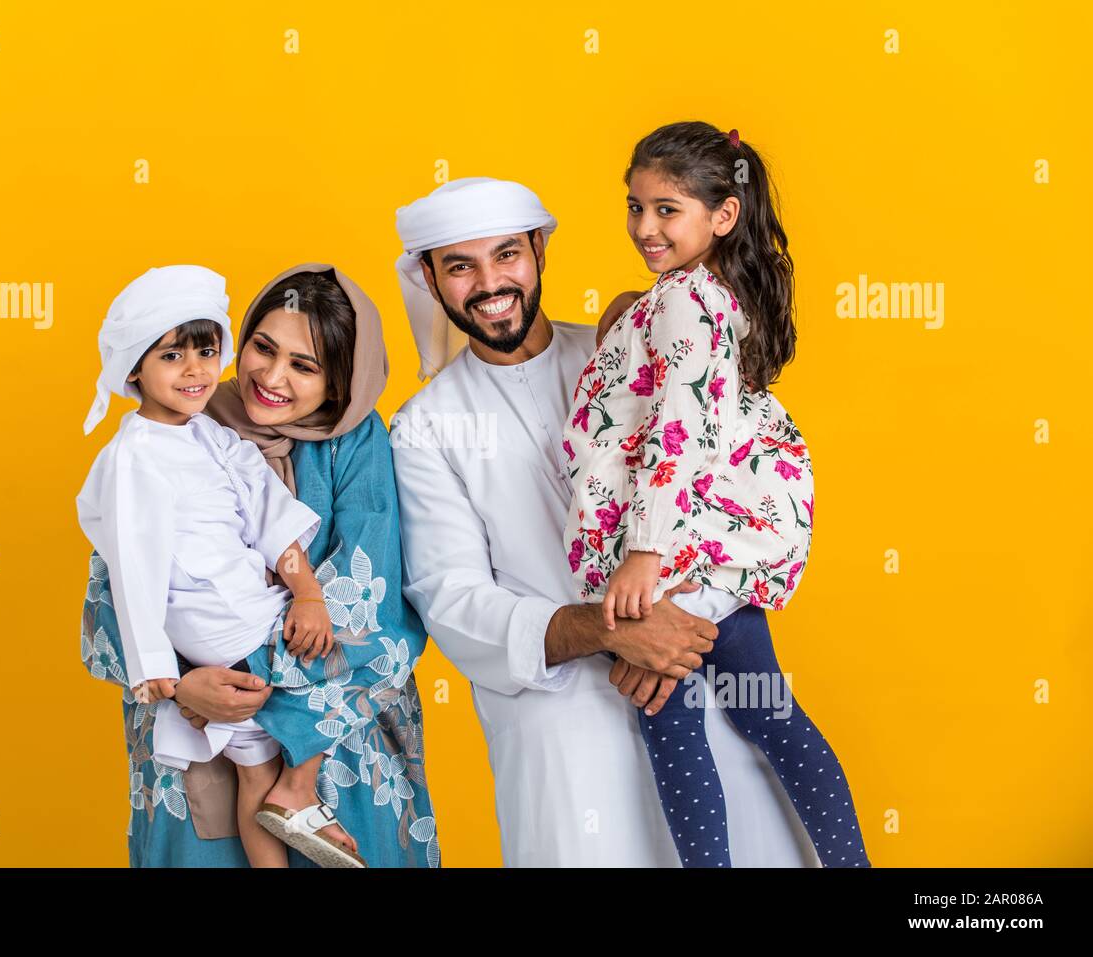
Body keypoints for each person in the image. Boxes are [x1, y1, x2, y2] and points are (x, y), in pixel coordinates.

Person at [390, 176, 818, 866]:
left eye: (507, 254)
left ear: (539, 250)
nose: (490, 282)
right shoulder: (422, 428)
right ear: (431, 281)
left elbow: (737, 476)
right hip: (561, 730)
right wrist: (614, 629)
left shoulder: (627, 348)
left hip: (697, 667)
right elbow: (454, 601)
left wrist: (676, 617)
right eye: (460, 265)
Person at [563, 121, 868, 866]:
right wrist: (633, 311)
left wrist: (644, 554)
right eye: (635, 207)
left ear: (722, 215)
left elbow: (681, 429)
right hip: (714, 550)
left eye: (668, 209)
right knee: (772, 717)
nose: (644, 226)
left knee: (671, 720)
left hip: (676, 556)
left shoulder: (684, 302)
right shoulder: (700, 293)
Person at [80, 263, 439, 868]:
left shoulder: (355, 442)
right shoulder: (178, 424)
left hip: (336, 736)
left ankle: (295, 788)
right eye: (261, 348)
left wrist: (264, 686)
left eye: (304, 366)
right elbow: (121, 585)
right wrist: (182, 686)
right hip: (198, 721)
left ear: (343, 380)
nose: (271, 378)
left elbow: (366, 595)